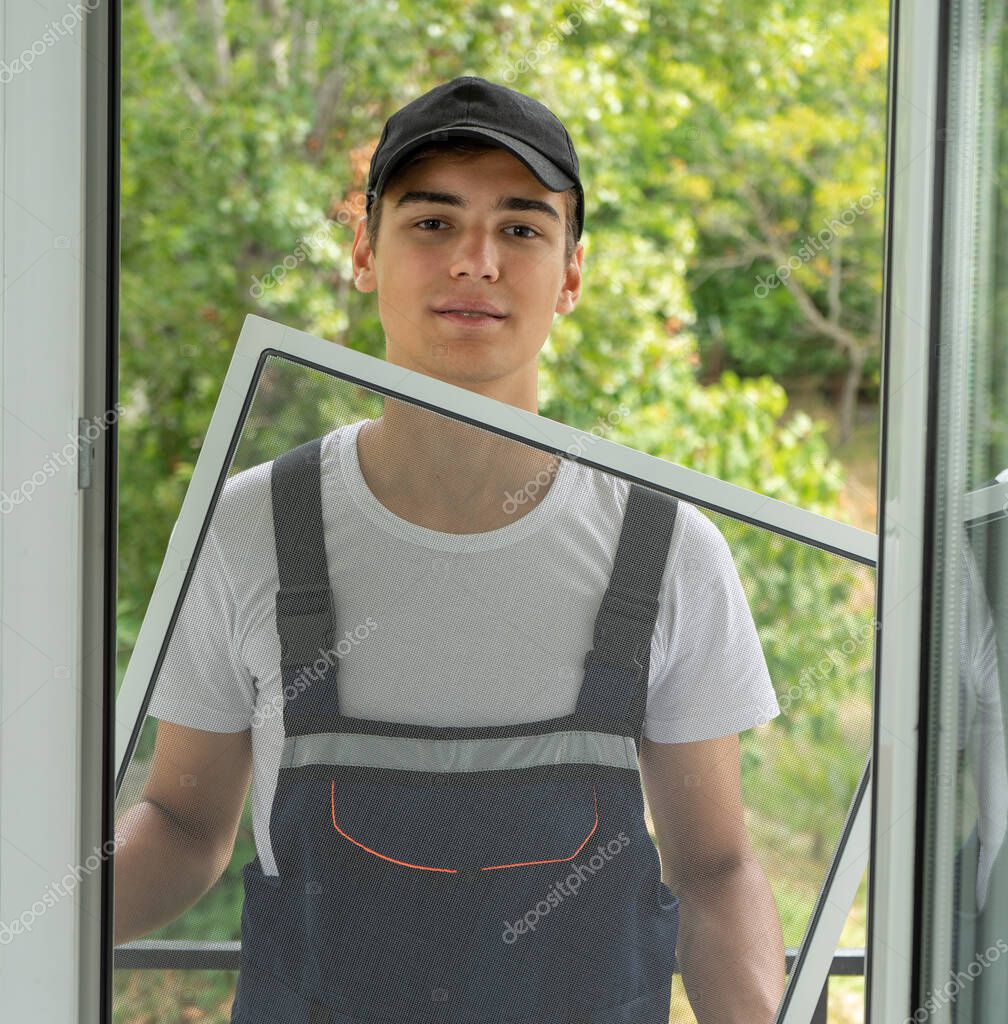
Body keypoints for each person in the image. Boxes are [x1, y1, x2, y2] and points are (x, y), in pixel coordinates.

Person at [113, 76, 785, 1023]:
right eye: (433, 223)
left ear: (572, 274)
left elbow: (714, 871)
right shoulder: (251, 528)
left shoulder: (666, 552)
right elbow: (184, 828)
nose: (476, 261)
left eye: (520, 228)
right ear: (364, 252)